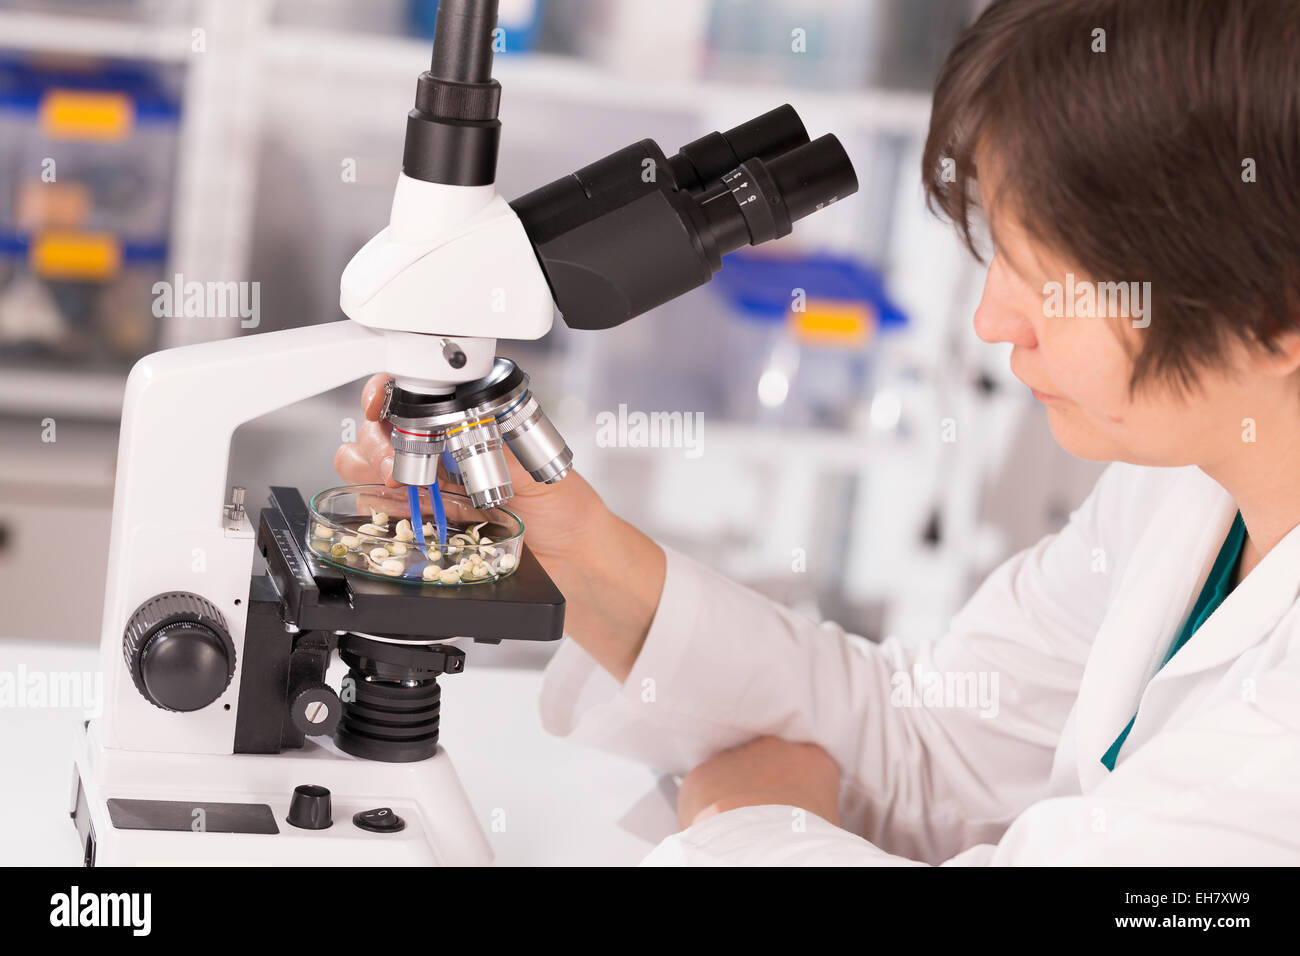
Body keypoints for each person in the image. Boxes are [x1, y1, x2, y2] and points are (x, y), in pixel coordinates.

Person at [335, 0, 1300, 865]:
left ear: (1272, 315)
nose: (994, 323)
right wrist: (570, 548)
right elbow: (928, 749)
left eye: (1047, 274)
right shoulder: (1188, 484)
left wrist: (746, 827)